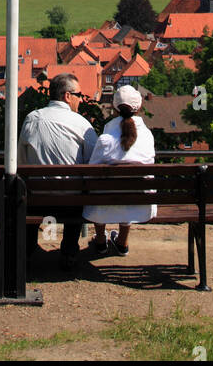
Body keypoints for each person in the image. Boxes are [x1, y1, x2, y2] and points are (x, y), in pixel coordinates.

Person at [17, 72, 98, 271]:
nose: (81, 99)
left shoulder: (32, 119)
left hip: (36, 201)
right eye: (79, 95)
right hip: (71, 202)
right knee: (78, 194)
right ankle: (69, 252)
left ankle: (26, 252)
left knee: (27, 195)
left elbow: (20, 161)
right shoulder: (82, 125)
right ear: (67, 96)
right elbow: (93, 163)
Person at [83, 85, 156, 257]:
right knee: (130, 188)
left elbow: (90, 175)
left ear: (114, 109)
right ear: (139, 108)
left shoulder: (105, 140)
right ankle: (122, 242)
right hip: (140, 205)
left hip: (102, 205)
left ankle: (100, 240)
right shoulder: (147, 137)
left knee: (99, 189)